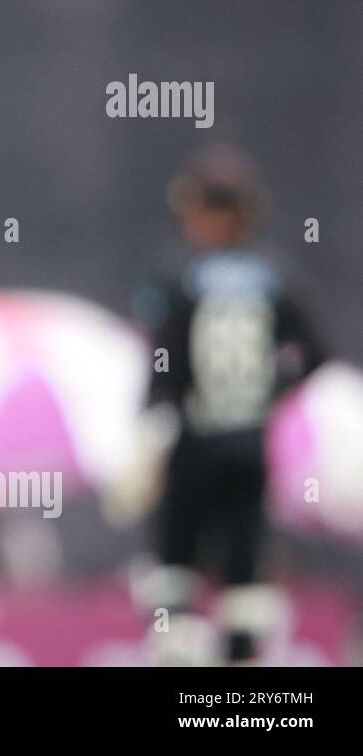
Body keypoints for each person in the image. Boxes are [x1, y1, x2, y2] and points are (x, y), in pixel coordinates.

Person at [133, 143, 328, 664]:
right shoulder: (277, 278)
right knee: (244, 568)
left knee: (177, 568)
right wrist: (270, 395)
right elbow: (315, 354)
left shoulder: (182, 278)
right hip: (248, 446)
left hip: (196, 443)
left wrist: (151, 420)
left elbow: (163, 362)